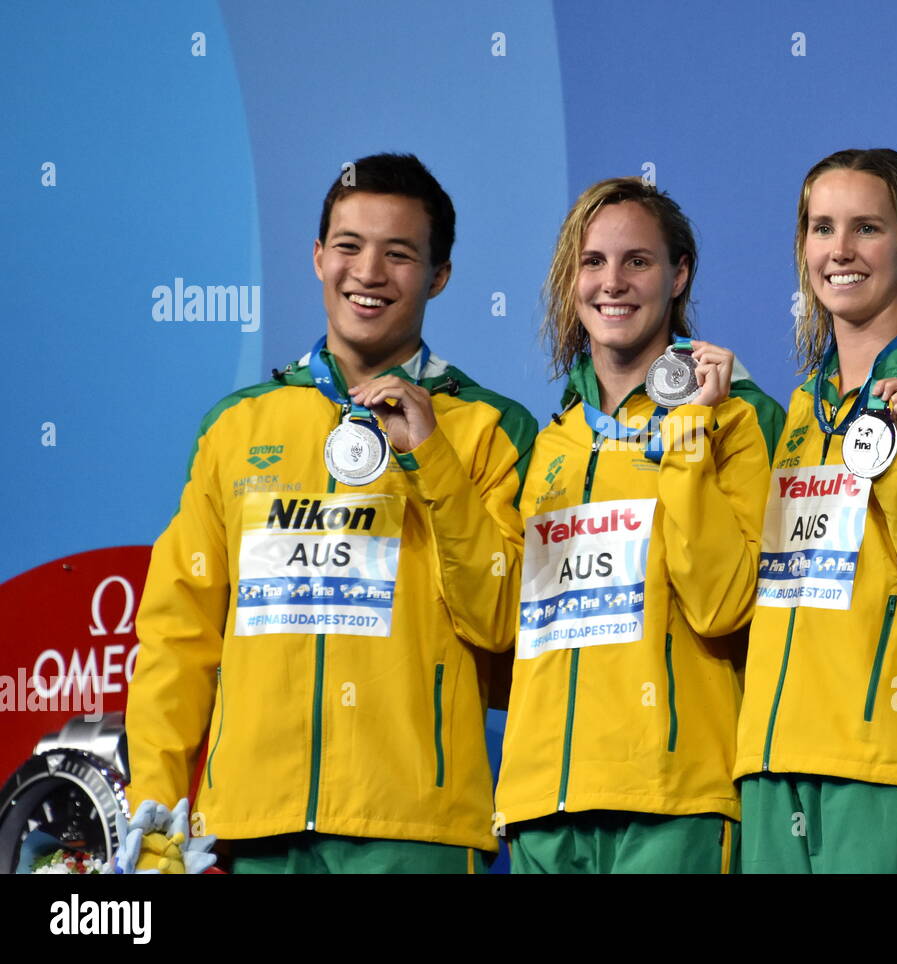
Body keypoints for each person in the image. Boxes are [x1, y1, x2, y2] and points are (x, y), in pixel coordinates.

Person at [124, 153, 537, 874]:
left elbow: (499, 621)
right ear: (318, 257)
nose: (368, 272)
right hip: (254, 826)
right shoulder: (237, 428)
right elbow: (179, 633)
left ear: (439, 276)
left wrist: (431, 457)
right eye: (348, 246)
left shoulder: (490, 429)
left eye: (399, 253)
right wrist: (156, 793)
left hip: (417, 830)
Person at [494, 177, 784, 873]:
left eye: (638, 261)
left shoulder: (736, 419)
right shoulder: (554, 441)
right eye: (592, 262)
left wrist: (687, 435)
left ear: (679, 275)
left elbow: (724, 606)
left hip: (672, 801)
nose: (612, 283)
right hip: (544, 806)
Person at [735, 148, 897, 873]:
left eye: (866, 228)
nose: (839, 250)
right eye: (821, 228)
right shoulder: (800, 410)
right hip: (773, 766)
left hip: (888, 763)